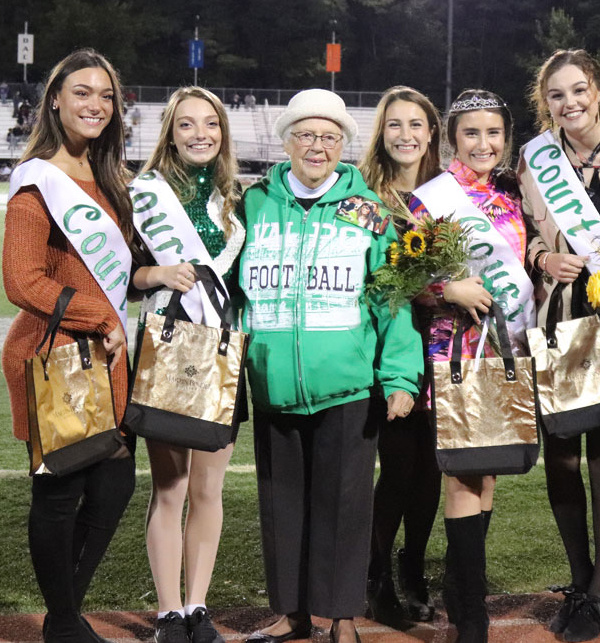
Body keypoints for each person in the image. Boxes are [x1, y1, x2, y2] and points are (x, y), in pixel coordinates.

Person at [239, 88, 423, 643]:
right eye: (306, 135)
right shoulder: (254, 203)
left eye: (329, 137)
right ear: (287, 141)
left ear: (343, 145)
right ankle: (292, 613)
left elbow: (393, 299)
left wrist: (399, 376)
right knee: (282, 506)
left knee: (345, 507)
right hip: (272, 382)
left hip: (347, 387)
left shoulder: (368, 212)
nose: (317, 147)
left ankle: (343, 616)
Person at [1, 48, 137, 643]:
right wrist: (97, 314)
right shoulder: (38, 181)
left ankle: (64, 614)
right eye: (83, 92)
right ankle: (64, 620)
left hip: (105, 357)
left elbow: (117, 273)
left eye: (106, 96)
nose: (96, 105)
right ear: (54, 99)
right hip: (57, 355)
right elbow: (22, 279)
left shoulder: (108, 179)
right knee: (62, 491)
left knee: (113, 486)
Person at [517, 49, 600, 642]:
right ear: (545, 103)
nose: (568, 103)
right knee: (562, 454)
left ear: (599, 89)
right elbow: (516, 237)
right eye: (555, 96)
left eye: (578, 90)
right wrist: (543, 256)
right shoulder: (534, 159)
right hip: (558, 322)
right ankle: (577, 578)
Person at [408, 88, 536, 643]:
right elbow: (407, 280)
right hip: (456, 349)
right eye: (471, 133)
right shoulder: (430, 198)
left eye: (493, 133)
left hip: (505, 349)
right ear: (453, 138)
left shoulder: (514, 195)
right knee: (464, 473)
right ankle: (474, 616)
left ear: (505, 138)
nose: (483, 144)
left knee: (487, 471)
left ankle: (461, 590)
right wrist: (447, 288)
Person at [129, 86, 245, 643]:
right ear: (169, 133)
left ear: (223, 133)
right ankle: (169, 614)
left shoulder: (234, 200)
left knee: (208, 491)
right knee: (170, 487)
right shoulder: (146, 195)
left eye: (210, 125)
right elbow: (125, 276)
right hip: (169, 348)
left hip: (221, 353)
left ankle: (198, 608)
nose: (200, 134)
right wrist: (159, 274)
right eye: (186, 125)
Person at [357, 86, 443, 624]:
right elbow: (372, 278)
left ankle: (413, 567)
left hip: (450, 345)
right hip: (390, 347)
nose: (406, 135)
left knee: (434, 467)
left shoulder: (453, 192)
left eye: (416, 124)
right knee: (397, 466)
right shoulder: (364, 195)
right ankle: (377, 576)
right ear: (381, 133)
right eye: (395, 125)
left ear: (432, 132)